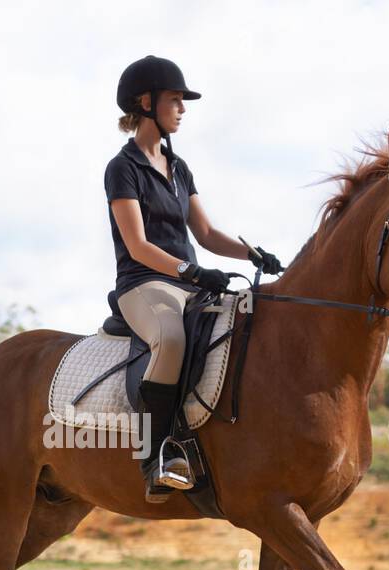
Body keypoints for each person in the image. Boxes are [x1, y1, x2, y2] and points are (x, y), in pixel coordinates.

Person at [105, 55, 284, 503]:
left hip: (188, 284)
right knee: (172, 338)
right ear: (145, 103)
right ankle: (156, 456)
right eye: (175, 100)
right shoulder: (122, 168)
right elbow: (137, 245)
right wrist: (191, 270)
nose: (182, 109)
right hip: (143, 284)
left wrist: (251, 252)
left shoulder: (179, 167)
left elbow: (204, 233)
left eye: (183, 101)